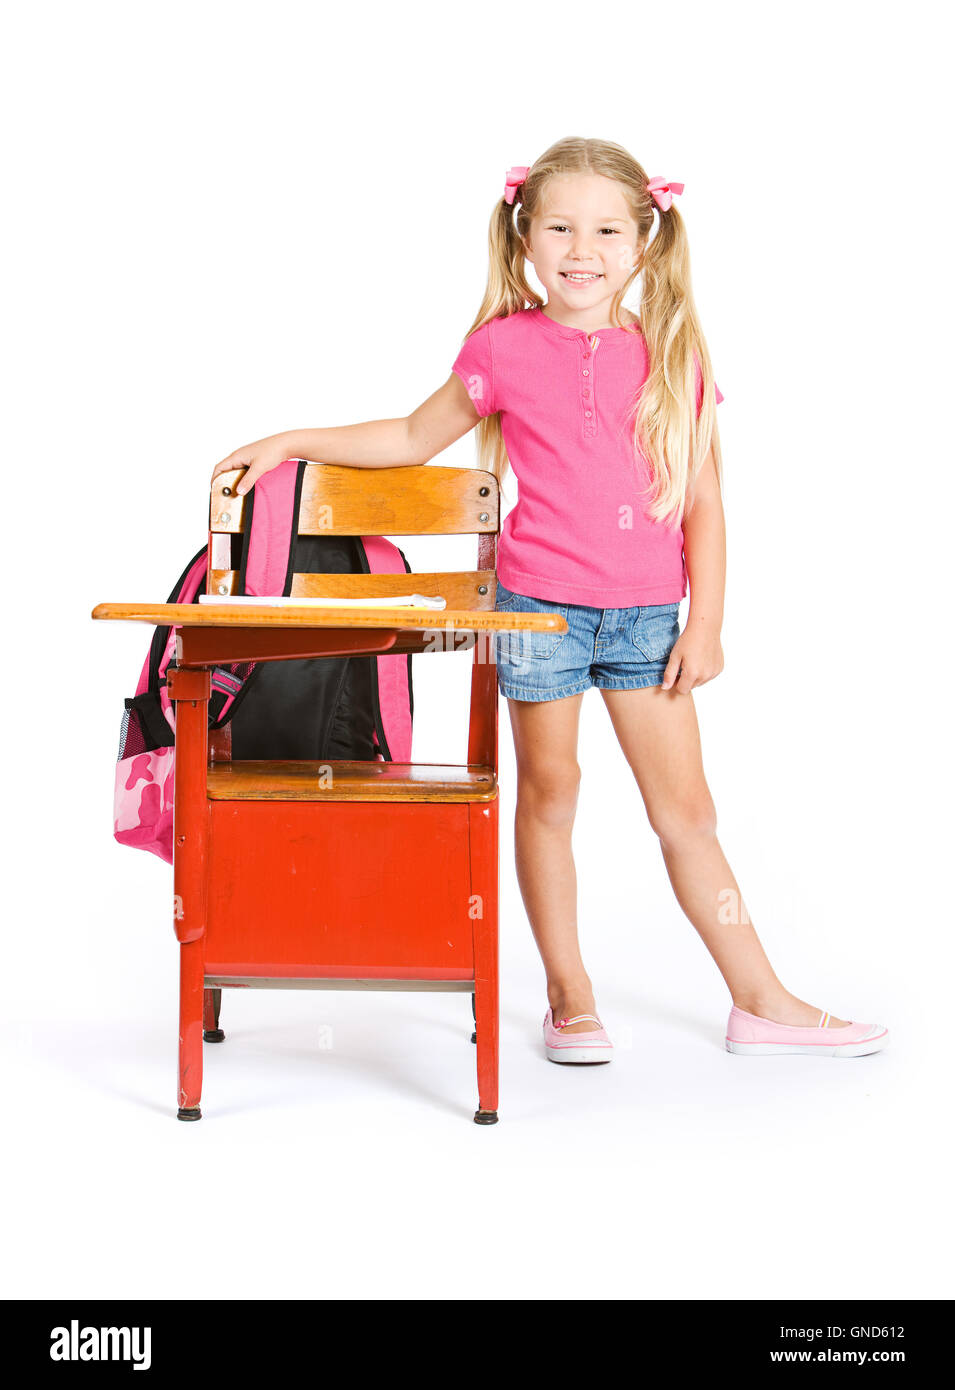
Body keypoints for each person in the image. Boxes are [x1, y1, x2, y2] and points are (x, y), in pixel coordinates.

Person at [211, 136, 889, 1067]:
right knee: (550, 795)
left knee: (686, 813)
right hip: (539, 616)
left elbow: (702, 501)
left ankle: (759, 999)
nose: (583, 248)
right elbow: (413, 434)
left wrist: (709, 622)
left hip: (651, 619)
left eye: (607, 229)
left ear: (642, 243)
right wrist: (290, 437)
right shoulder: (502, 347)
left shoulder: (673, 353)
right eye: (561, 227)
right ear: (525, 236)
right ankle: (569, 1000)